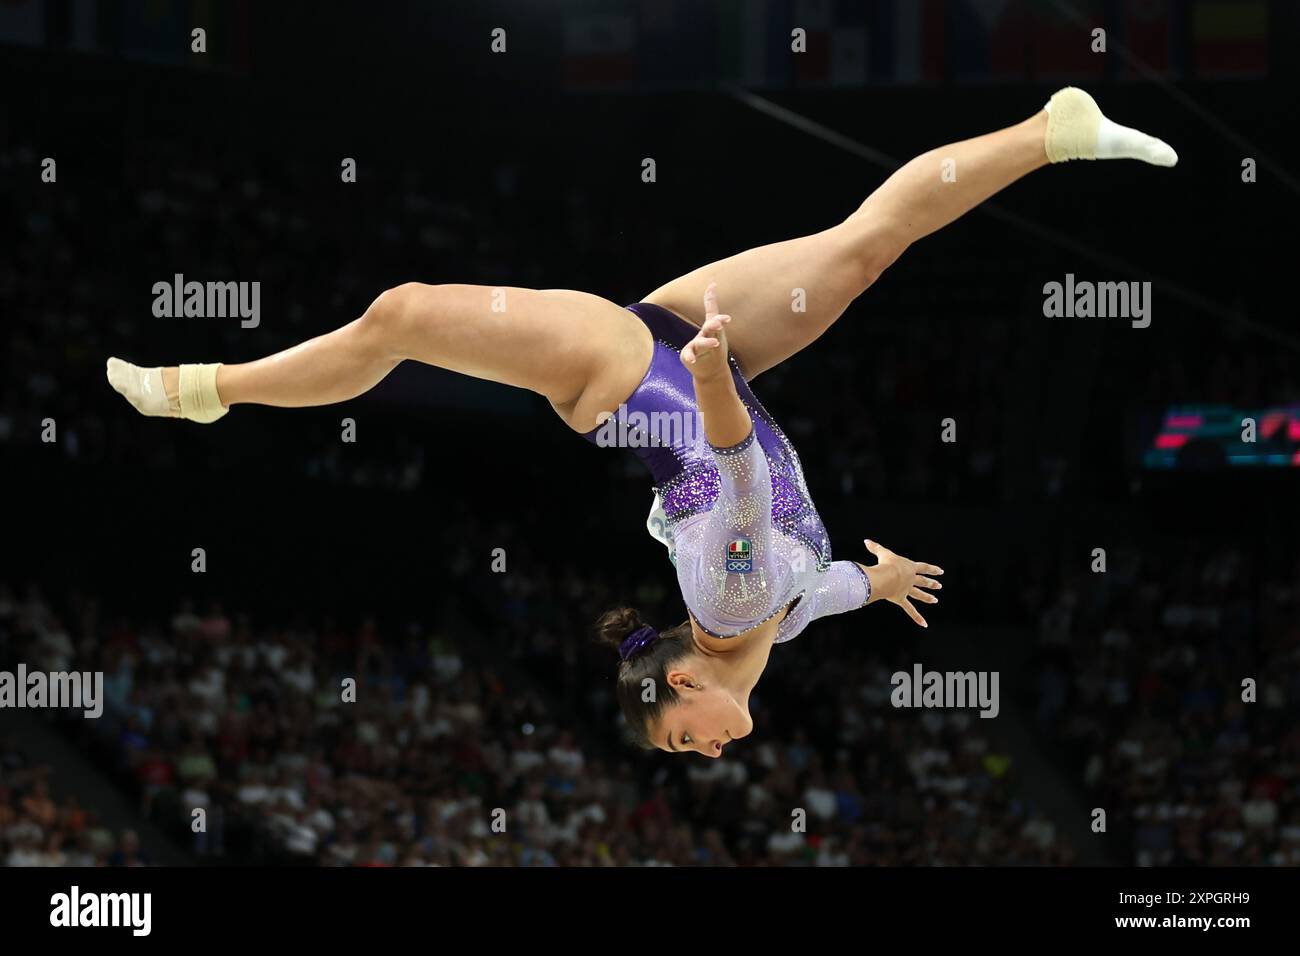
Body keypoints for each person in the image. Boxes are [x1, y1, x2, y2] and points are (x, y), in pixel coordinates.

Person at [106, 88, 1177, 755]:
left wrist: (709, 374)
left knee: (398, 315)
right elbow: (831, 588)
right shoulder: (779, 620)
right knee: (859, 251)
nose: (701, 752)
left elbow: (741, 472)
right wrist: (881, 580)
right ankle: (1052, 130)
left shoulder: (729, 597)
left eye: (678, 742)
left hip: (630, 376)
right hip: (689, 354)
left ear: (682, 680)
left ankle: (209, 386)